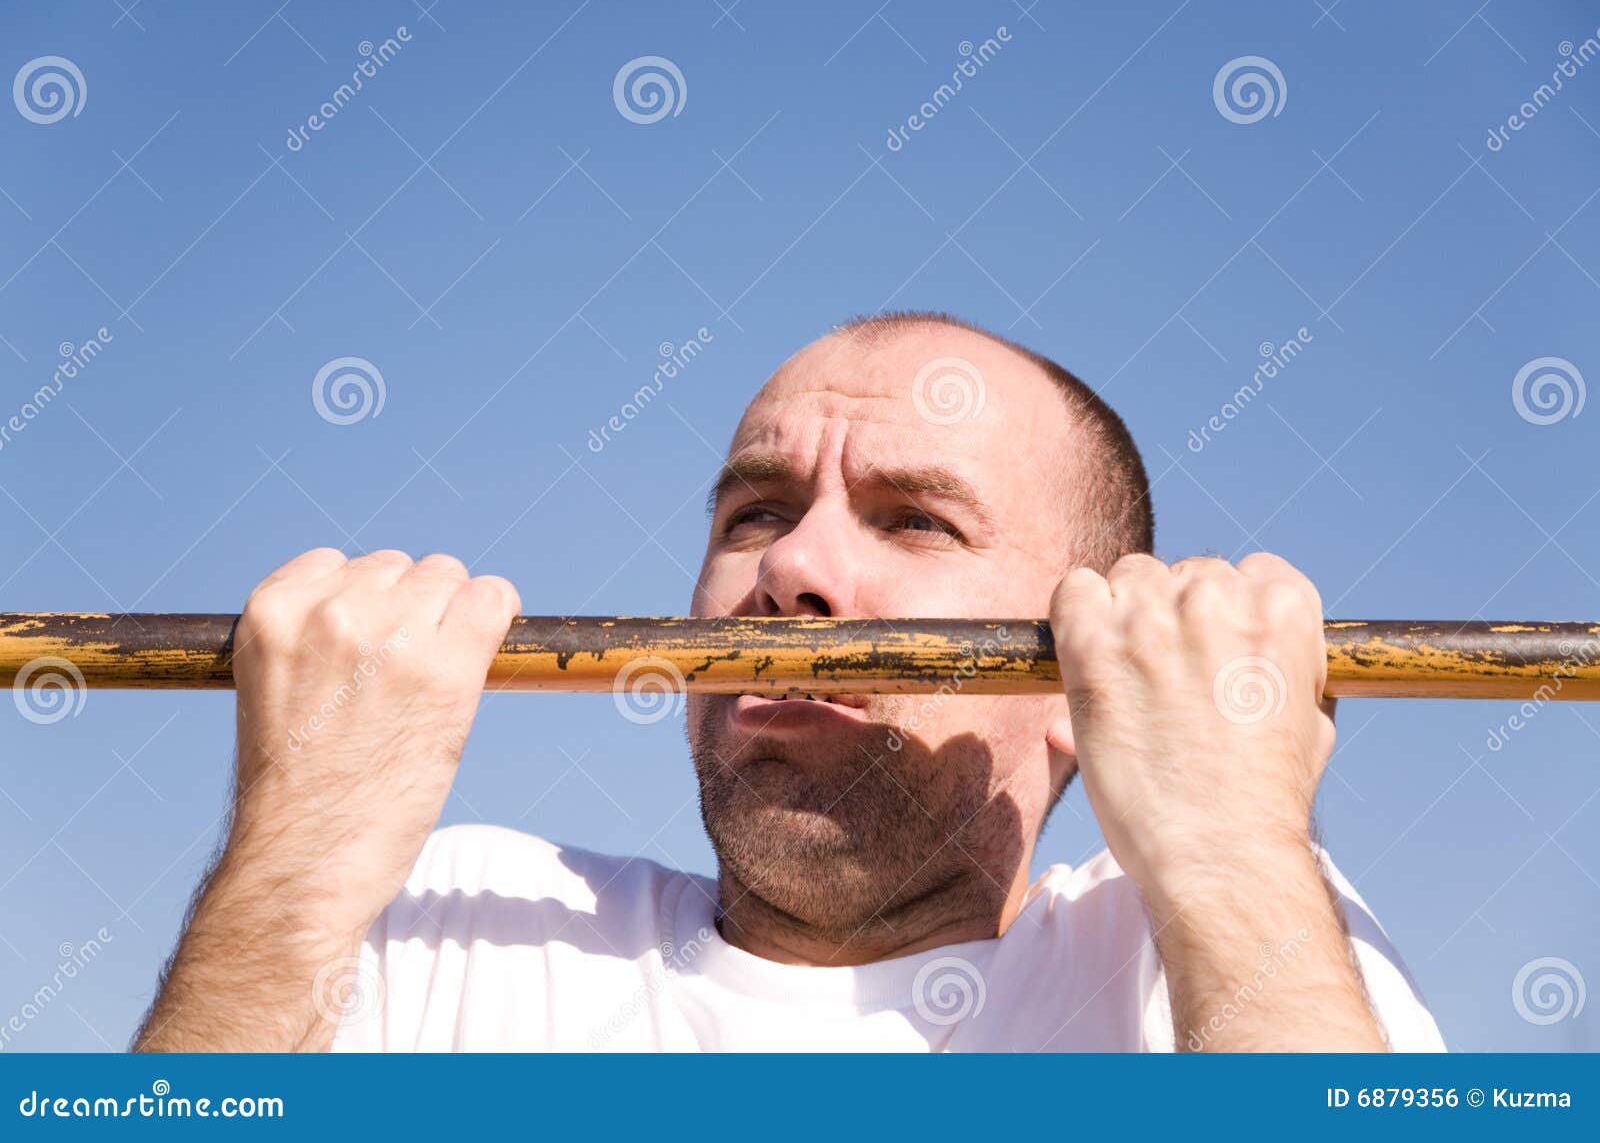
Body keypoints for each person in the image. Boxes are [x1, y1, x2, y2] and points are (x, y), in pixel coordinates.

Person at [133, 312, 1443, 1052]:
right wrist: (296, 848)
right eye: (756, 510)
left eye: (916, 519)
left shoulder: (1201, 947)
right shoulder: (462, 919)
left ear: (1086, 672)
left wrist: (1234, 849)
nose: (795, 568)